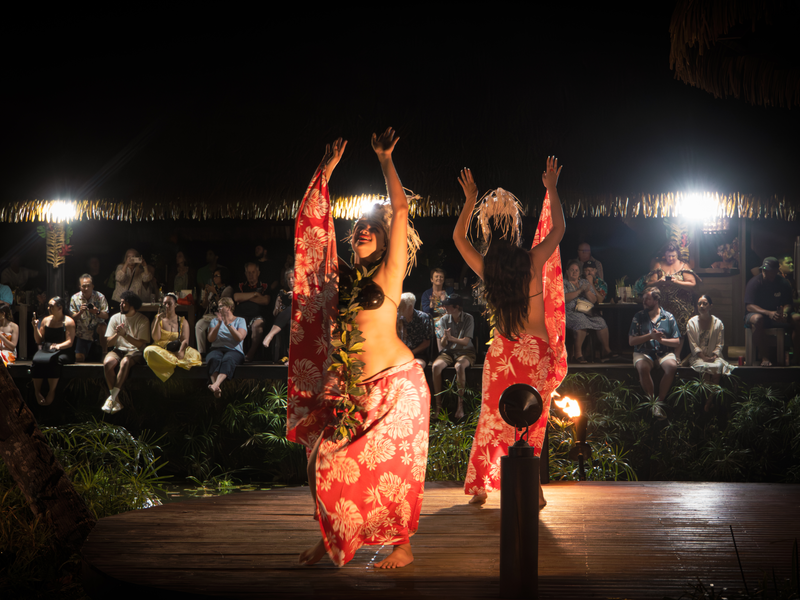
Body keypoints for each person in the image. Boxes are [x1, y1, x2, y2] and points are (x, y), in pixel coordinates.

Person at [290, 131, 429, 569]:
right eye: (359, 227)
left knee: (396, 474)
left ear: (388, 242)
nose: (365, 228)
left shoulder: (389, 276)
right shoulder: (340, 282)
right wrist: (326, 171)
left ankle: (401, 545)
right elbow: (311, 241)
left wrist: (385, 160)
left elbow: (401, 208)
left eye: (374, 227)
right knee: (320, 459)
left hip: (398, 386)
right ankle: (331, 535)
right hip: (353, 390)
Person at [454, 159, 568, 508]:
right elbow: (559, 230)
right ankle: (534, 487)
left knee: (493, 416)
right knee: (532, 418)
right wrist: (551, 189)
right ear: (516, 231)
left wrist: (470, 199)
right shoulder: (533, 260)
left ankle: (481, 487)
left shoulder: (488, 267)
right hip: (535, 350)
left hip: (502, 350)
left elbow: (459, 237)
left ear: (489, 232)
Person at [629, 287, 680, 418]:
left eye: (647, 299)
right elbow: (631, 341)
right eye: (643, 299)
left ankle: (659, 402)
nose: (644, 301)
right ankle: (652, 402)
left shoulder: (668, 317)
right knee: (642, 367)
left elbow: (676, 342)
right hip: (644, 352)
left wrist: (661, 340)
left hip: (664, 352)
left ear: (656, 300)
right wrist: (650, 336)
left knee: (672, 367)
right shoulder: (638, 317)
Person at [744, 256, 800, 366]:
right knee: (757, 319)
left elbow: (789, 303)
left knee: (797, 318)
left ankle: (797, 357)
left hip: (778, 315)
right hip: (759, 314)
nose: (765, 272)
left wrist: (784, 312)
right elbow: (749, 306)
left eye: (768, 270)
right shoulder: (754, 282)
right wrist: (768, 313)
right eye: (763, 270)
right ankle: (764, 357)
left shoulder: (783, 283)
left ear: (776, 271)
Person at [646, 242, 699, 354]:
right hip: (663, 304)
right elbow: (649, 283)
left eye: (673, 256)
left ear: (677, 255)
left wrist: (677, 282)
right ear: (664, 254)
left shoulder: (683, 265)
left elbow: (693, 284)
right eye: (668, 256)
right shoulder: (658, 265)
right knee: (663, 328)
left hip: (682, 305)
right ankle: (663, 354)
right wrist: (659, 282)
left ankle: (677, 355)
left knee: (680, 329)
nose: (671, 258)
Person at [102, 291, 150, 413]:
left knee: (125, 362)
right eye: (121, 302)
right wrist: (117, 335)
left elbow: (141, 345)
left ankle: (112, 398)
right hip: (118, 349)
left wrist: (125, 335)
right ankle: (116, 399)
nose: (121, 305)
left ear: (132, 305)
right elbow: (109, 344)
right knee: (107, 362)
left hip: (135, 351)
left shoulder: (142, 320)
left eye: (124, 303)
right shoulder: (115, 318)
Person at [431, 294, 475, 419]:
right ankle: (438, 407)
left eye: (447, 305)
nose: (444, 307)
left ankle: (460, 407)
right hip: (449, 352)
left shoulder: (468, 318)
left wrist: (452, 338)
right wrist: (445, 338)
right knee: (436, 366)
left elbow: (466, 341)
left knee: (459, 366)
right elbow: (444, 344)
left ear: (456, 307)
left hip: (466, 352)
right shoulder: (444, 319)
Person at [686, 295, 734, 412]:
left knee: (717, 367)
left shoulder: (718, 323)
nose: (701, 306)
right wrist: (703, 357)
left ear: (710, 306)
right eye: (699, 304)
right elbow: (693, 345)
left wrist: (714, 356)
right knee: (705, 370)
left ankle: (708, 401)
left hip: (714, 357)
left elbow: (719, 343)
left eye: (705, 303)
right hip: (698, 357)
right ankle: (707, 402)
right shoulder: (691, 323)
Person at [564, 260, 617, 363]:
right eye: (572, 270)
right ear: (567, 272)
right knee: (581, 321)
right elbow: (564, 298)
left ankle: (606, 350)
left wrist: (587, 291)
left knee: (600, 321)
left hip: (586, 310)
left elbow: (594, 300)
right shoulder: (563, 283)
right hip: (570, 312)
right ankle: (578, 355)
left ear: (579, 272)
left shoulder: (584, 282)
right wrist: (579, 291)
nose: (574, 272)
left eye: (576, 270)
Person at [144, 292, 202, 382]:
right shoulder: (158, 319)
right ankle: (175, 362)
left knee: (195, 355)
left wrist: (181, 351)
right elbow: (156, 338)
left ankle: (172, 361)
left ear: (175, 305)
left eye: (169, 304)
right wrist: (157, 320)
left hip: (176, 349)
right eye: (165, 304)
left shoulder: (182, 321)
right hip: (162, 350)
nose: (167, 306)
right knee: (149, 351)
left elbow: (185, 340)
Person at [30, 297, 75, 405]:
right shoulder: (46, 320)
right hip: (47, 348)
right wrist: (35, 327)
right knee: (36, 360)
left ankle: (52, 391)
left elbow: (70, 342)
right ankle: (37, 391)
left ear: (60, 307)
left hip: (64, 350)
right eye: (48, 305)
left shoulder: (68, 321)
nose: (49, 308)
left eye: (52, 306)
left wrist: (58, 346)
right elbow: (39, 340)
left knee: (54, 360)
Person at [206, 297, 247, 398]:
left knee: (228, 359)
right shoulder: (214, 321)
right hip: (217, 348)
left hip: (234, 350)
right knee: (213, 358)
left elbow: (240, 337)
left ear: (229, 307)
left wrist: (228, 324)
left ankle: (216, 384)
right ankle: (216, 386)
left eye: (221, 306)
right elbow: (210, 339)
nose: (219, 309)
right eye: (218, 307)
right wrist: (219, 324)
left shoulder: (240, 320)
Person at [233, 263, 271, 362]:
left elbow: (265, 301)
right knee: (234, 324)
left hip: (257, 316)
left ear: (258, 273)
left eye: (253, 272)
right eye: (248, 272)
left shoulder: (264, 286)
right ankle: (236, 353)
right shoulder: (241, 285)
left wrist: (245, 298)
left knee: (257, 325)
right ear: (245, 274)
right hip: (241, 316)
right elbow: (236, 297)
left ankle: (250, 354)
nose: (251, 275)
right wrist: (255, 294)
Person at [69, 274, 110, 362]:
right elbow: (72, 318)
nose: (86, 288)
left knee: (103, 326)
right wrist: (80, 312)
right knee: (78, 358)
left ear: (93, 286)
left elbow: (106, 315)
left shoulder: (100, 297)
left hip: (98, 330)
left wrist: (97, 312)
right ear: (80, 287)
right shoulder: (74, 298)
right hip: (83, 332)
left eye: (89, 286)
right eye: (84, 286)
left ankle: (104, 352)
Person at [196, 267, 234, 355]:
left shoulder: (227, 289)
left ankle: (215, 351)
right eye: (213, 276)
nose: (214, 278)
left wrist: (215, 292)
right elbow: (205, 306)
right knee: (199, 325)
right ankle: (201, 352)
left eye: (217, 276)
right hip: (209, 316)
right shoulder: (213, 289)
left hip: (221, 317)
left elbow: (224, 306)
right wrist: (206, 294)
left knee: (212, 328)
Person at [262, 266, 293, 364]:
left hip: (301, 319)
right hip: (286, 320)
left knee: (291, 309)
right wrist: (278, 306)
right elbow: (274, 313)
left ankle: (270, 335)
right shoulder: (283, 293)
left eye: (293, 278)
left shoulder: (304, 292)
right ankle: (289, 356)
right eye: (288, 279)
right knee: (288, 319)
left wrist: (296, 297)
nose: (290, 281)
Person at [397, 292, 432, 368]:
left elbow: (426, 342)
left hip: (418, 354)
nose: (398, 308)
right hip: (400, 353)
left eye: (401, 306)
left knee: (415, 367)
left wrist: (411, 353)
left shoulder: (423, 317)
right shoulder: (397, 318)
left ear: (410, 307)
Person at [0, 302, 19, 366]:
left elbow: (13, 346)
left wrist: (1, 336)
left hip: (8, 352)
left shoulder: (14, 326)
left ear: (3, 314)